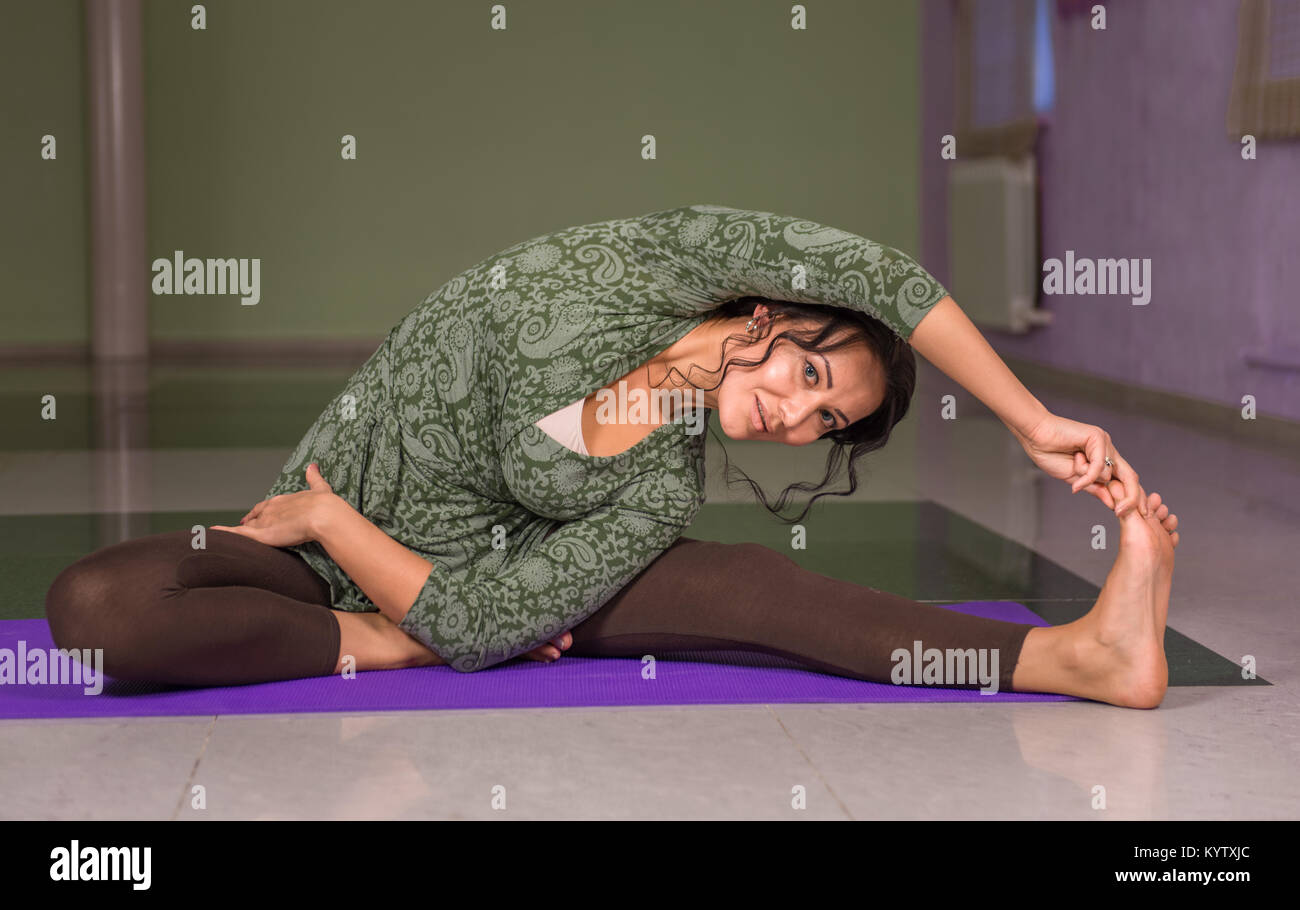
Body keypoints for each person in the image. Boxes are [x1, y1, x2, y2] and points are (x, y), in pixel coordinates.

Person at [44, 203, 1179, 708]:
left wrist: (342, 525)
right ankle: (376, 640)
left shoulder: (657, 482)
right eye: (814, 377)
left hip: (388, 555)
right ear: (777, 318)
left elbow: (488, 628)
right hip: (326, 568)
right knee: (100, 603)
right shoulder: (649, 265)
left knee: (752, 588)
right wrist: (1031, 421)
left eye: (826, 425)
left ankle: (1080, 658)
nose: (798, 416)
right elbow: (881, 271)